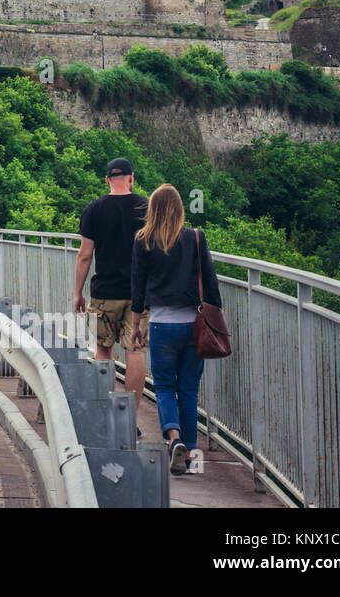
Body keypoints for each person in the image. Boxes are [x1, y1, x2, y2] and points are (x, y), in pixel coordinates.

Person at [130, 184, 222, 476]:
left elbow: (138, 286)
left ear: (152, 210)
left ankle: (173, 439)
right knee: (189, 389)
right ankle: (191, 452)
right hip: (194, 325)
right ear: (181, 209)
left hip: (161, 324)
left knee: (165, 386)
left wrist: (135, 325)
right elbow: (210, 282)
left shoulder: (143, 240)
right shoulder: (196, 238)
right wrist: (217, 320)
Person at [74, 158, 150, 418]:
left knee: (102, 349)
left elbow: (85, 255)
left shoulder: (94, 209)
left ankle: (106, 414)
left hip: (104, 292)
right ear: (131, 177)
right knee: (135, 351)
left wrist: (77, 293)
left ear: (107, 180)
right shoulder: (146, 208)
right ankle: (129, 419)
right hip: (139, 294)